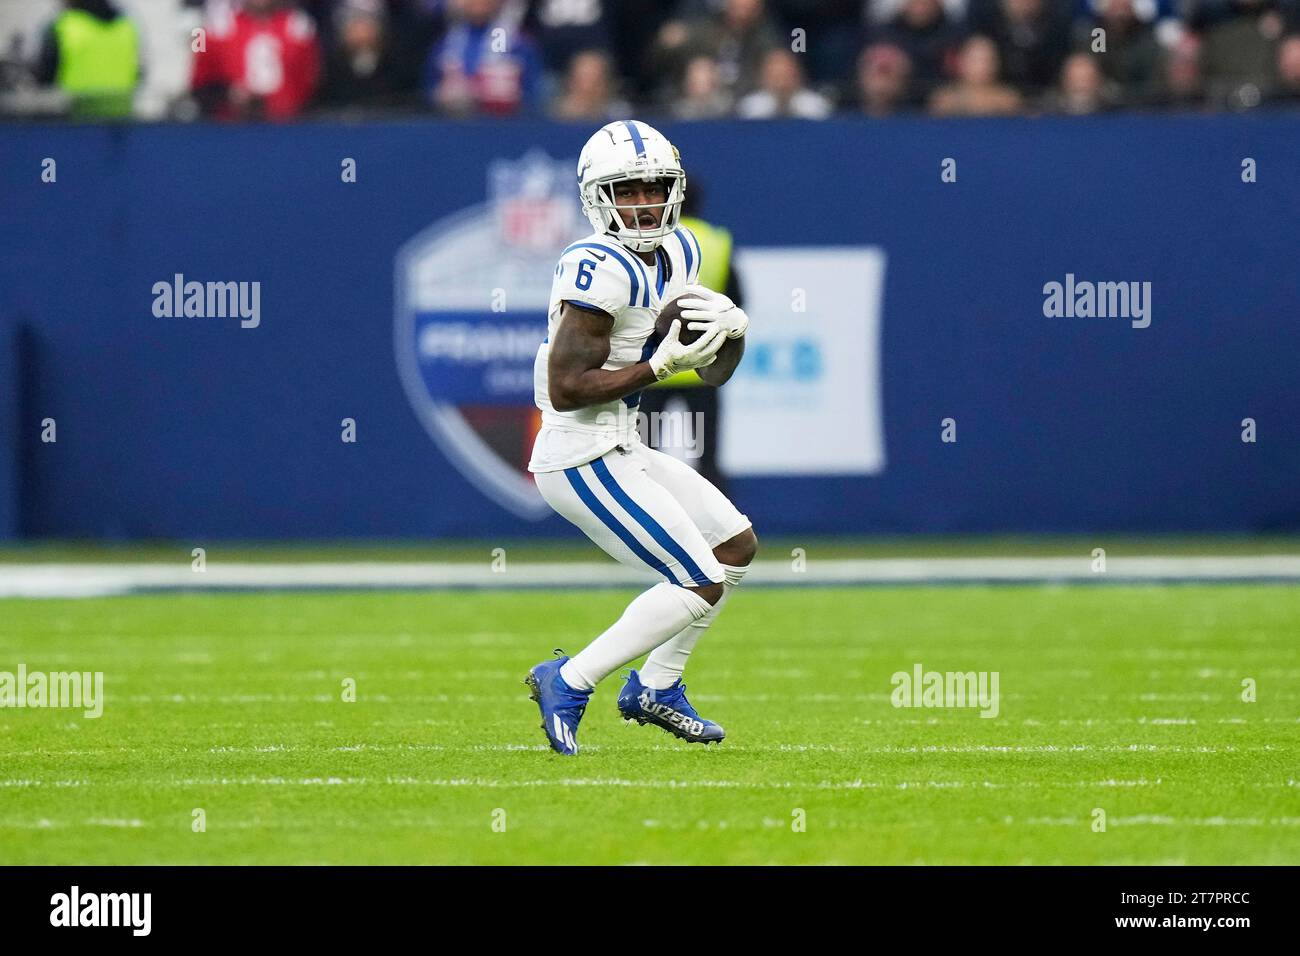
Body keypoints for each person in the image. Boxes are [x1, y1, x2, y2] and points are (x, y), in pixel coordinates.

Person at [525, 121, 759, 756]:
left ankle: (657, 686)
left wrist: (731, 333)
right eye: (626, 191)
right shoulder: (595, 267)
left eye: (655, 189)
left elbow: (713, 372)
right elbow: (569, 385)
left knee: (734, 545)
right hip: (578, 453)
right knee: (699, 579)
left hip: (622, 439)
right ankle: (569, 679)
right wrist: (660, 366)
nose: (644, 204)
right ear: (598, 199)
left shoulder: (682, 250)